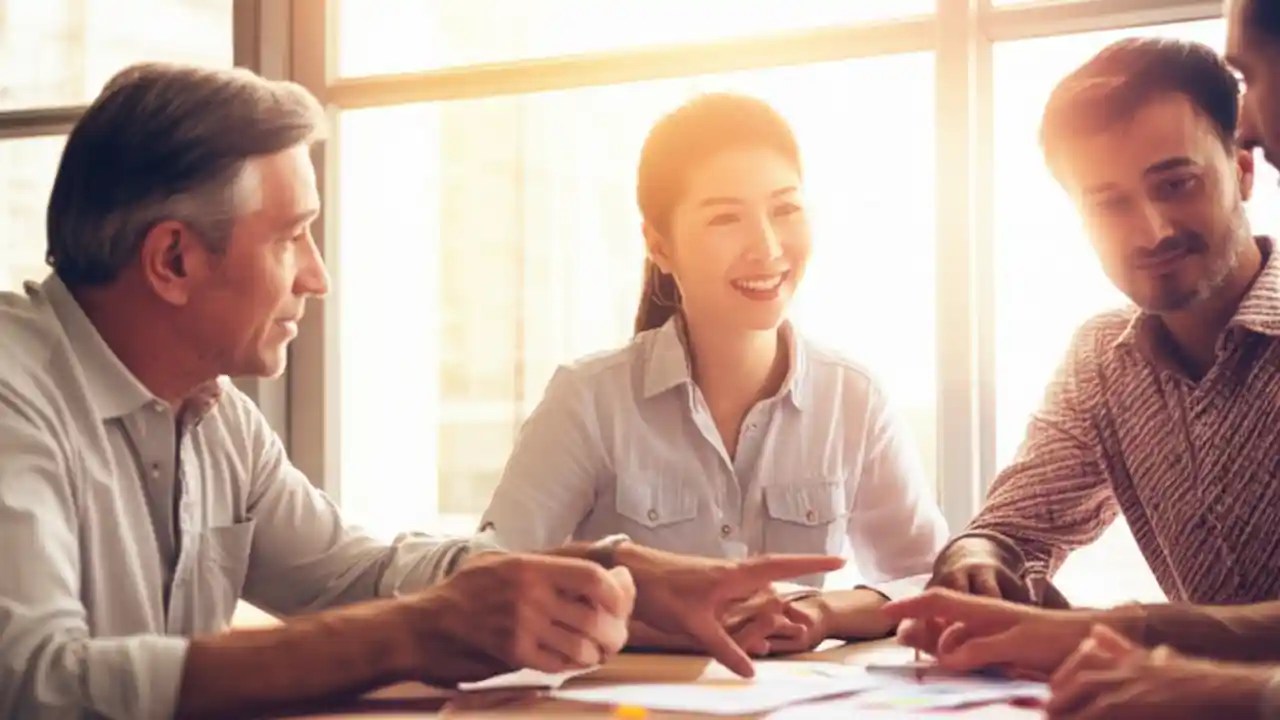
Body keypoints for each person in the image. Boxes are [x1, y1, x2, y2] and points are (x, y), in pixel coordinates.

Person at [0, 63, 845, 720]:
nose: (318, 276)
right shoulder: (14, 392)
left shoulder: (215, 416)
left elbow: (360, 573)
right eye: (293, 237)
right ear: (175, 260)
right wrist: (413, 630)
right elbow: (38, 686)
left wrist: (602, 568)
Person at [890, 8, 1280, 717]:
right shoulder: (1102, 359)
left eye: (1176, 184)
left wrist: (1116, 630)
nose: (1151, 230)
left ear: (1244, 169)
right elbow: (1007, 531)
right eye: (1109, 204)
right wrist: (978, 566)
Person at [479, 93, 948, 656]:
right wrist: (669, 622)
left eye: (785, 210)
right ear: (660, 246)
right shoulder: (589, 398)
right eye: (726, 217)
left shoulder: (853, 397)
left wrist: (820, 612)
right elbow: (491, 579)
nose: (768, 247)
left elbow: (928, 580)